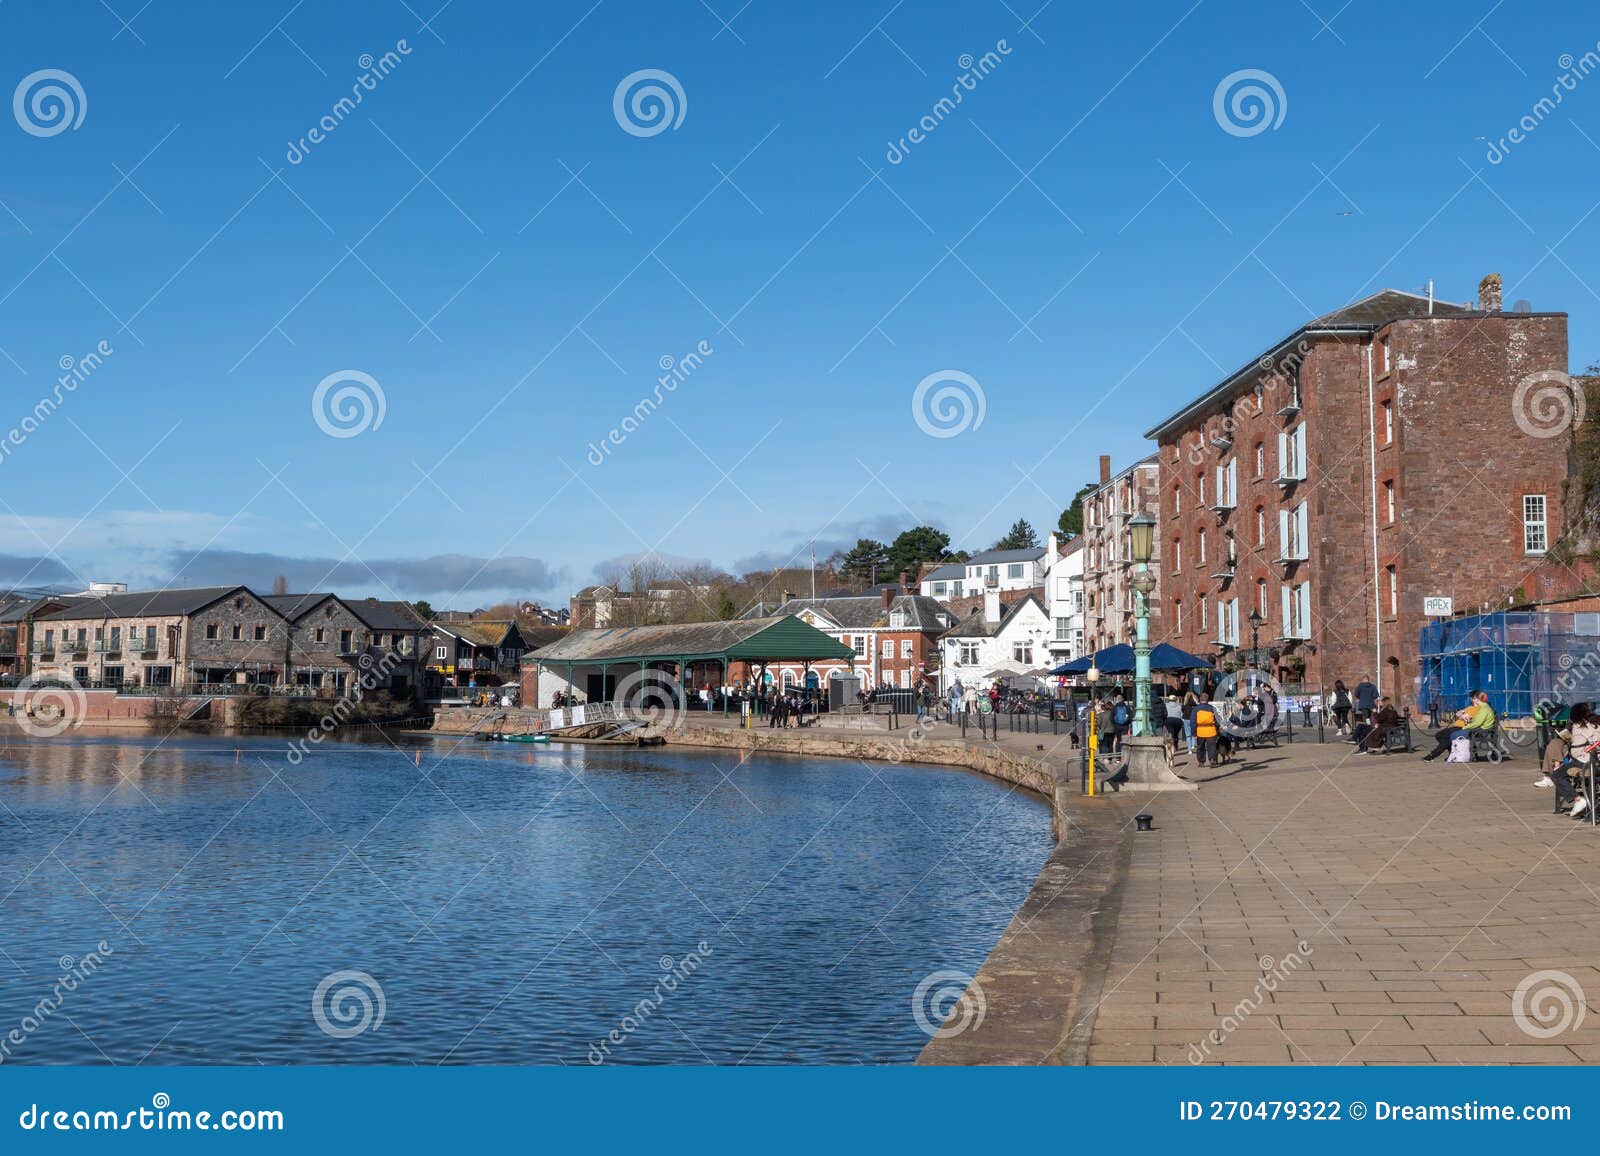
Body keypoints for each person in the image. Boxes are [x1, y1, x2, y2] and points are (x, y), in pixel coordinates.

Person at [1541, 703, 1600, 816]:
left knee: (1556, 775)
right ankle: (1590, 806)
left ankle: (1578, 800)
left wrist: (1569, 740)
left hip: (1585, 762)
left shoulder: (1577, 726)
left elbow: (1576, 750)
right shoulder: (1597, 723)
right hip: (1597, 763)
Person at [1421, 689, 1496, 761]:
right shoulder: (1480, 707)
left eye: (1473, 698)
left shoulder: (1482, 709)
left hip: (1470, 729)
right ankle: (1452, 754)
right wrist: (1464, 717)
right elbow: (1464, 716)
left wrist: (1465, 726)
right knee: (1440, 736)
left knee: (1450, 736)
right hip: (1469, 728)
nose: (1472, 700)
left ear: (1476, 699)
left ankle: (1433, 755)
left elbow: (1477, 722)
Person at [1193, 698, 1221, 767]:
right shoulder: (1213, 708)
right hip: (1211, 730)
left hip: (1200, 731)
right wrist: (1217, 730)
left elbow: (1193, 721)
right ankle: (1212, 760)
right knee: (1212, 746)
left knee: (1200, 747)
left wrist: (1194, 732)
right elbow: (1217, 721)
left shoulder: (1196, 709)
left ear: (1200, 700)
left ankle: (1201, 762)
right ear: (1207, 700)